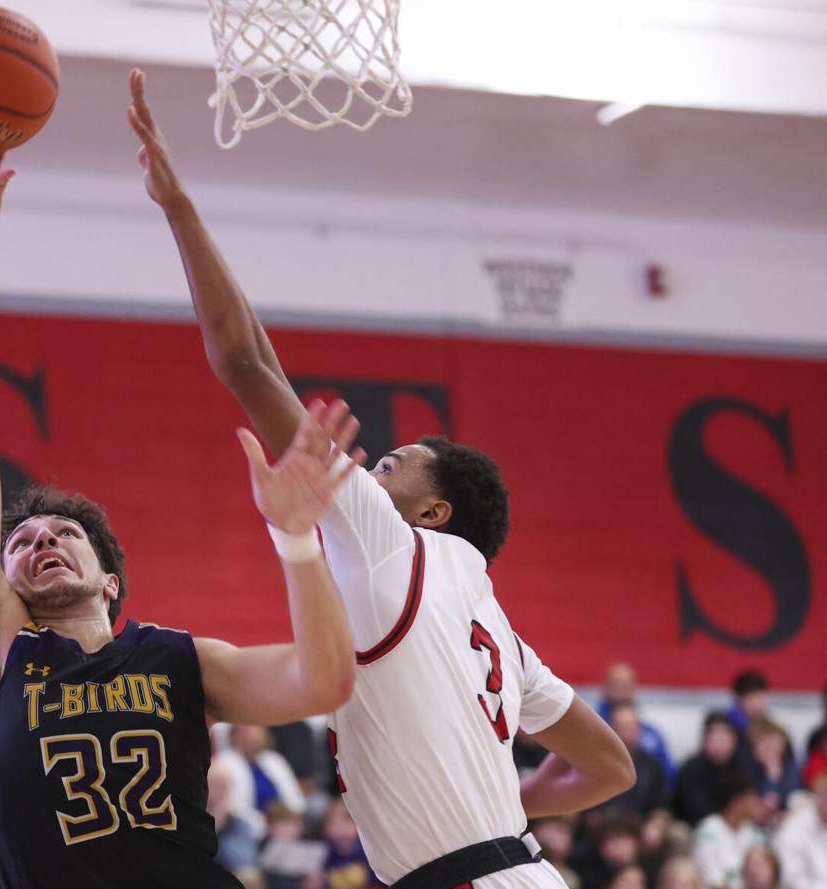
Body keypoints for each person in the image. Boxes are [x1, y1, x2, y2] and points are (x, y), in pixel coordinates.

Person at [127, 67, 635, 888]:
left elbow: (246, 363)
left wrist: (177, 207)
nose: (367, 467)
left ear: (431, 511)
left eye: (390, 466)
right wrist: (506, 798)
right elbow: (611, 767)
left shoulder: (389, 540)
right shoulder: (498, 631)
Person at [0, 143, 358, 889]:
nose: (41, 539)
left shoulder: (179, 660)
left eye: (63, 533)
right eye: (19, 541)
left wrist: (295, 539)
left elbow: (323, 681)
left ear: (110, 580)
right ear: (5, 583)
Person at [598, 663, 677, 786]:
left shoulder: (652, 735)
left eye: (626, 685)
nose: (621, 691)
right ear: (606, 688)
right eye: (616, 684)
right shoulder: (594, 729)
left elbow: (667, 774)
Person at [691, 774, 765, 889]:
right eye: (752, 797)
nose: (757, 803)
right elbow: (712, 881)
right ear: (737, 802)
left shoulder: (755, 834)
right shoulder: (707, 833)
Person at [675, 713, 745, 826]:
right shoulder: (692, 768)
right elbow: (694, 808)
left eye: (724, 736)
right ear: (704, 740)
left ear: (734, 741)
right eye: (714, 736)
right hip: (698, 825)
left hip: (736, 825)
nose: (719, 741)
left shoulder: (742, 767)